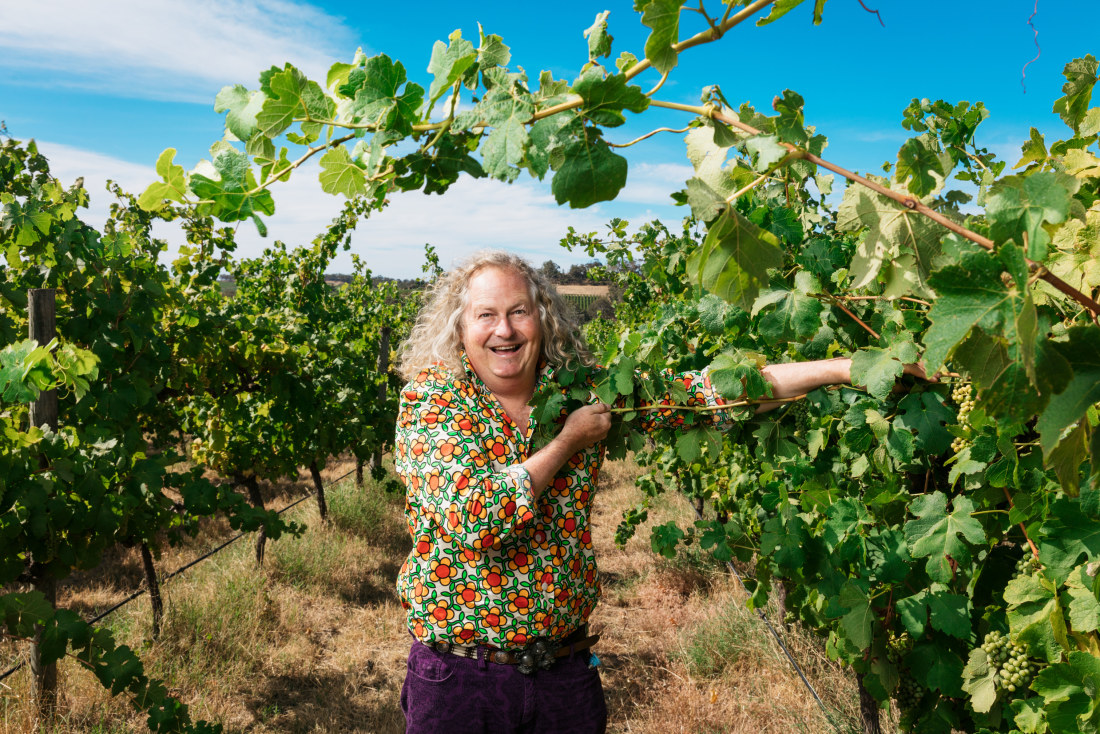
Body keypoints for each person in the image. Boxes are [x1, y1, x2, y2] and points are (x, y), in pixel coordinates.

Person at [393, 250, 895, 733]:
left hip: (563, 673)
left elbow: (709, 395)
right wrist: (567, 441)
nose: (504, 330)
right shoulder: (432, 401)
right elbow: (474, 520)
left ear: (543, 320)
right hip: (461, 678)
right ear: (460, 328)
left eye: (518, 312)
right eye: (486, 315)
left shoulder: (579, 390)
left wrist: (847, 368)